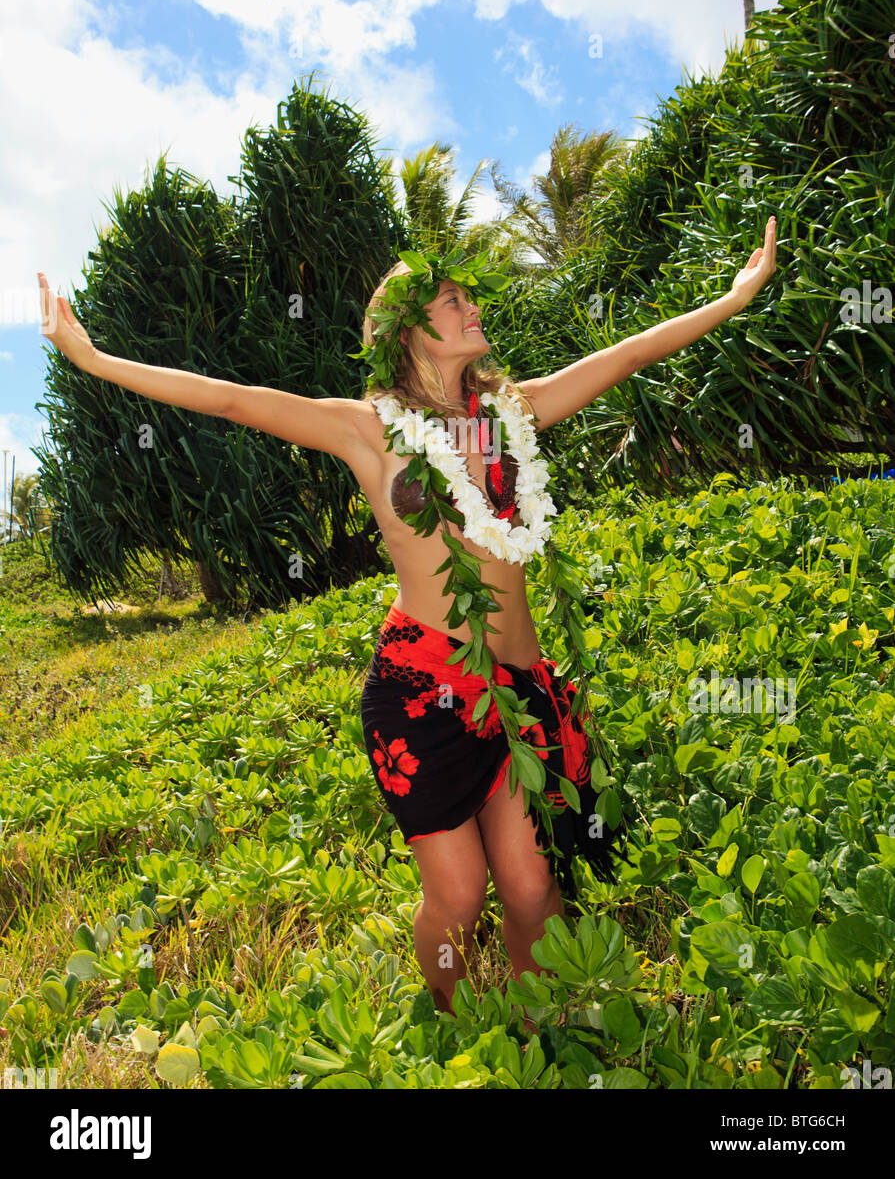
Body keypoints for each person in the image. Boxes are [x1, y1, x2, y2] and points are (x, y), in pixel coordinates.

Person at [36, 217, 777, 1024]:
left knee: (531, 884)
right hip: (423, 690)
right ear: (408, 332)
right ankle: (461, 1023)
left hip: (521, 690)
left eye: (466, 297)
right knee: (458, 898)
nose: (469, 309)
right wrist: (93, 358)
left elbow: (629, 353)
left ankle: (548, 1029)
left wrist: (733, 298)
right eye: (450, 301)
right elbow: (230, 399)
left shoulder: (512, 416)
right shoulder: (368, 430)